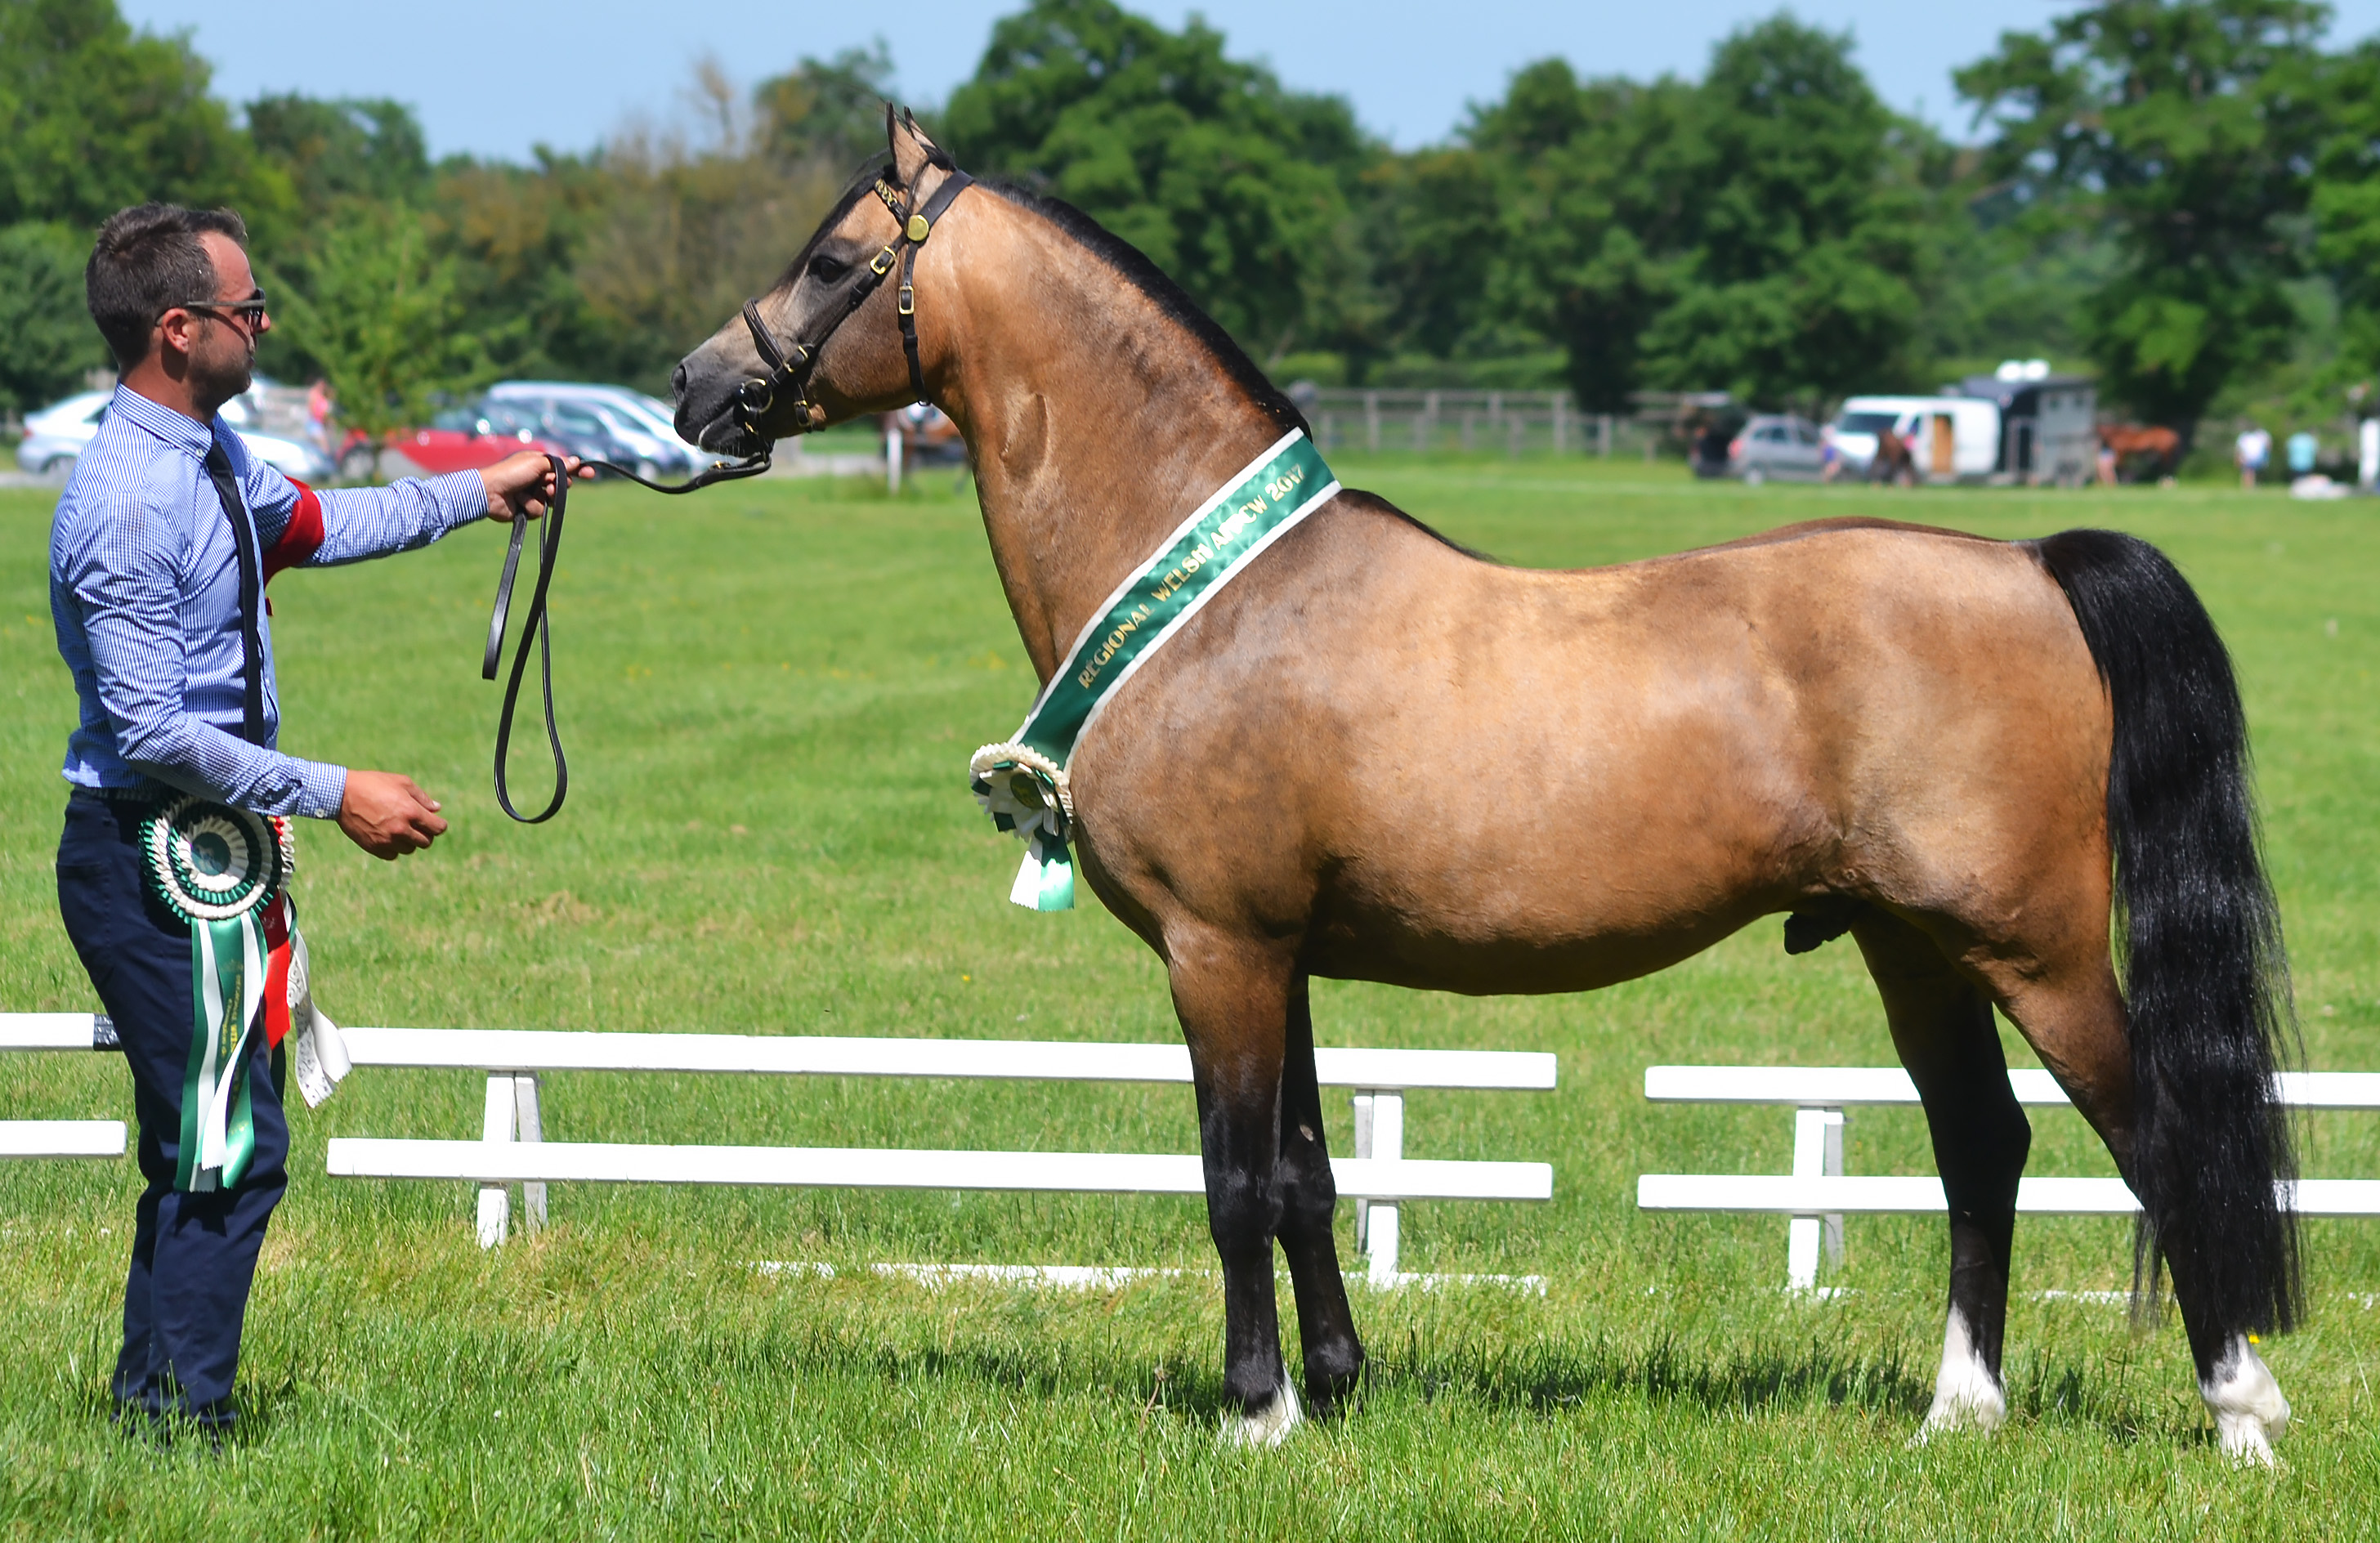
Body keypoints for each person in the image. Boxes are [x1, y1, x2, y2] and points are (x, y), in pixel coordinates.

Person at [47, 203, 582, 1441]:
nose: (265, 324)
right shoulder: (129, 503)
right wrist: (337, 791)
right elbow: (149, 734)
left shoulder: (217, 456)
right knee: (229, 1150)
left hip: (200, 847)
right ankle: (189, 1427)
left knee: (207, 1147)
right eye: (248, 309)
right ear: (178, 331)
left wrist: (481, 489)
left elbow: (330, 525)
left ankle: (155, 1412)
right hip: (145, 855)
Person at [2235, 423, 2271, 488]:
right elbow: (2239, 448)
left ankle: (2248, 486)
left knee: (2249, 471)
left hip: (2255, 457)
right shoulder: (2245, 436)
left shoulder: (2260, 435)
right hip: (2247, 457)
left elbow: (2268, 446)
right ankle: (2248, 486)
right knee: (2248, 471)